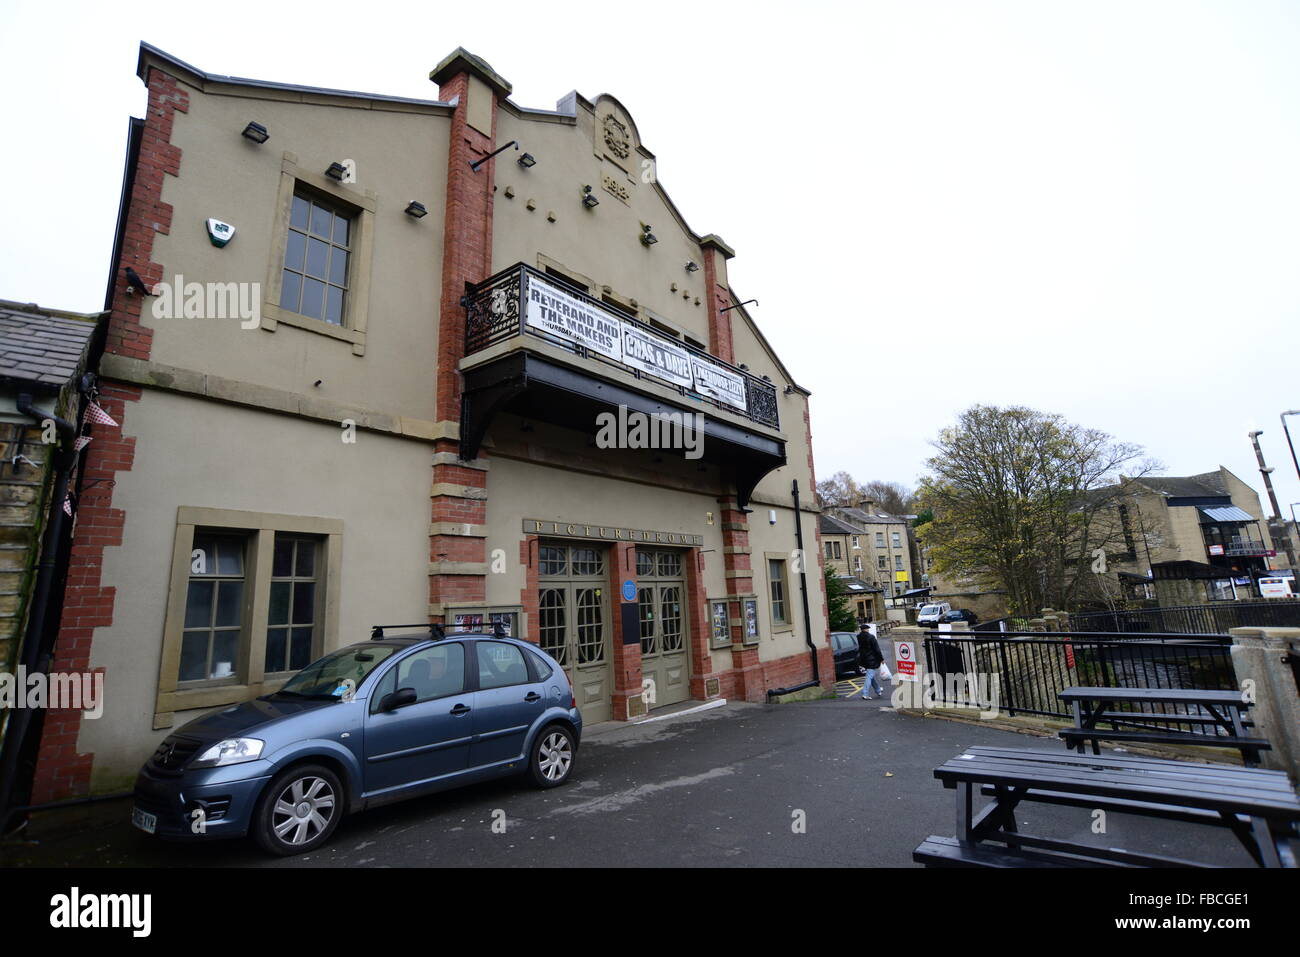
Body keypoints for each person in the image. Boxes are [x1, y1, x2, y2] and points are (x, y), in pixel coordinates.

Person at [856, 622, 885, 699]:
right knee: (869, 676)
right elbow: (877, 649)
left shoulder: (858, 637)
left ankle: (878, 690)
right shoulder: (871, 637)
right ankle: (865, 693)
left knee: (870, 675)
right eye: (868, 629)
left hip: (863, 659)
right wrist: (881, 659)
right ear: (866, 629)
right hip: (871, 659)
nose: (868, 630)